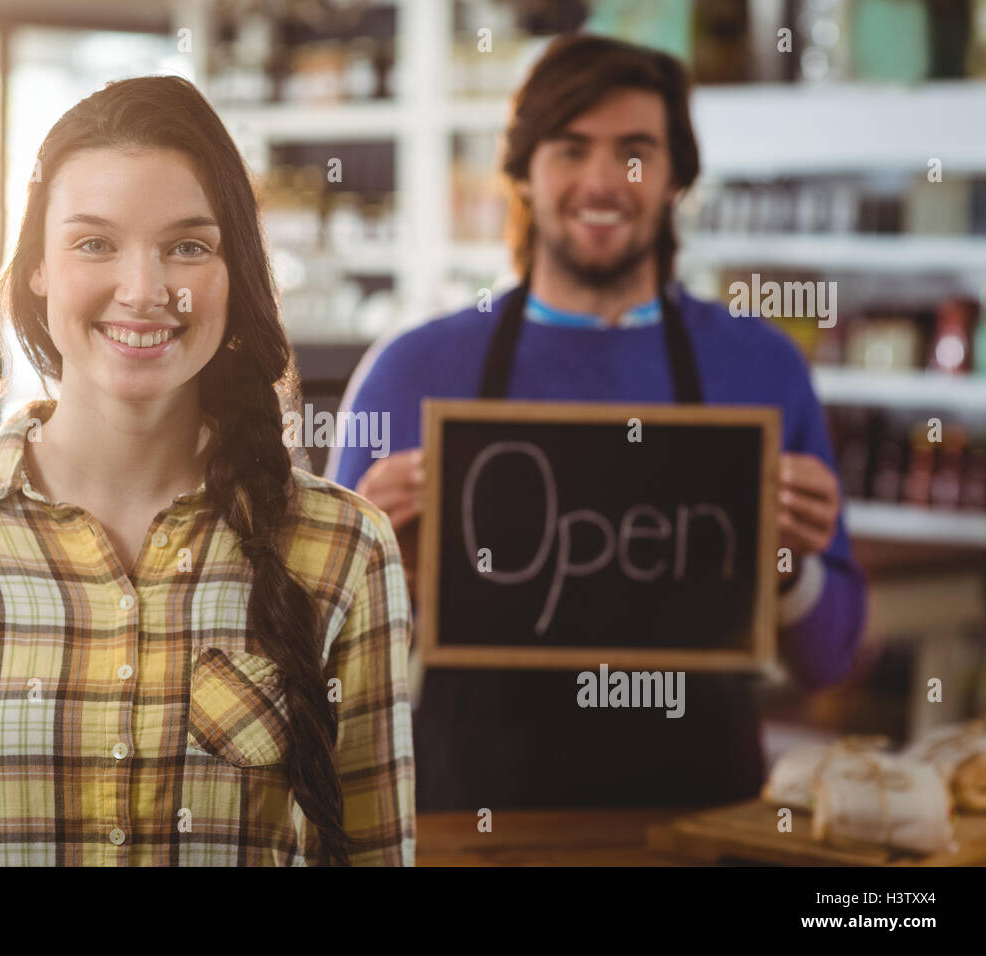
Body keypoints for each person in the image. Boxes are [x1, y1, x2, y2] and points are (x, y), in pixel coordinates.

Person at [0, 75, 414, 866]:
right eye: (94, 243)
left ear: (233, 276)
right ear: (38, 270)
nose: (144, 290)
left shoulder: (347, 550)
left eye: (188, 246)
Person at [327, 34, 867, 811]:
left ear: (678, 173)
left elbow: (832, 658)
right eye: (571, 149)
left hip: (696, 819)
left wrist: (791, 566)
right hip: (477, 825)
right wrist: (388, 577)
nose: (605, 180)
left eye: (636, 151)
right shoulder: (409, 371)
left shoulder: (761, 367)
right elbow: (329, 681)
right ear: (522, 169)